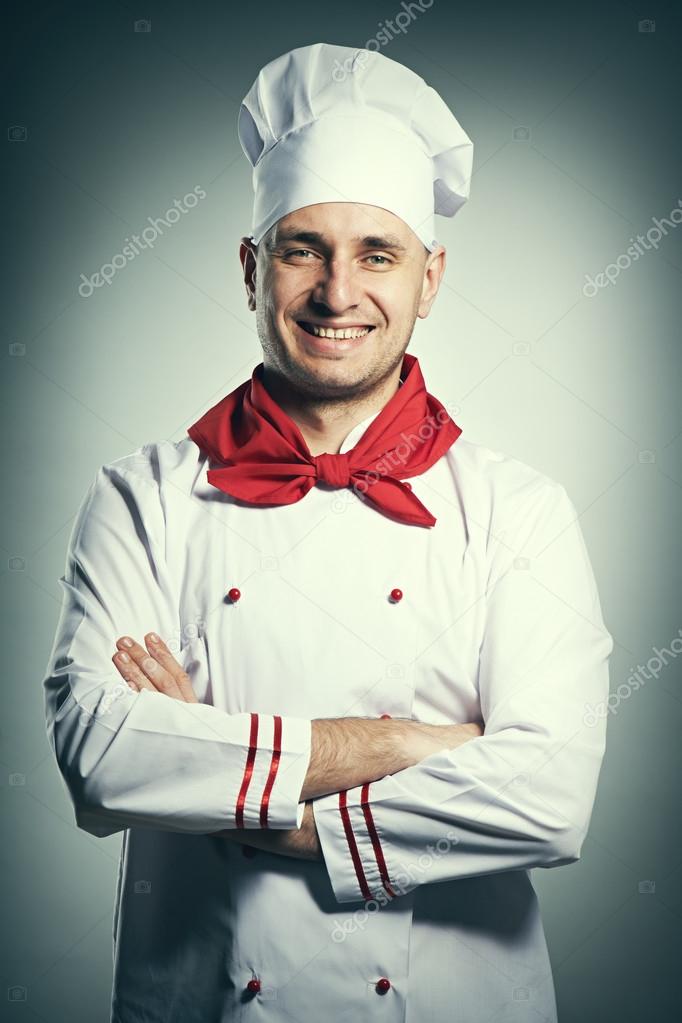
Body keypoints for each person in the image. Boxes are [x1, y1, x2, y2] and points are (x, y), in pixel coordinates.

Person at [42, 42, 613, 1023]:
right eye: (303, 248)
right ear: (251, 267)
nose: (336, 294)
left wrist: (228, 779)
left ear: (429, 279)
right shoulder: (140, 497)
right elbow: (103, 759)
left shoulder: (519, 510)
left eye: (376, 255)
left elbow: (548, 797)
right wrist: (403, 743)